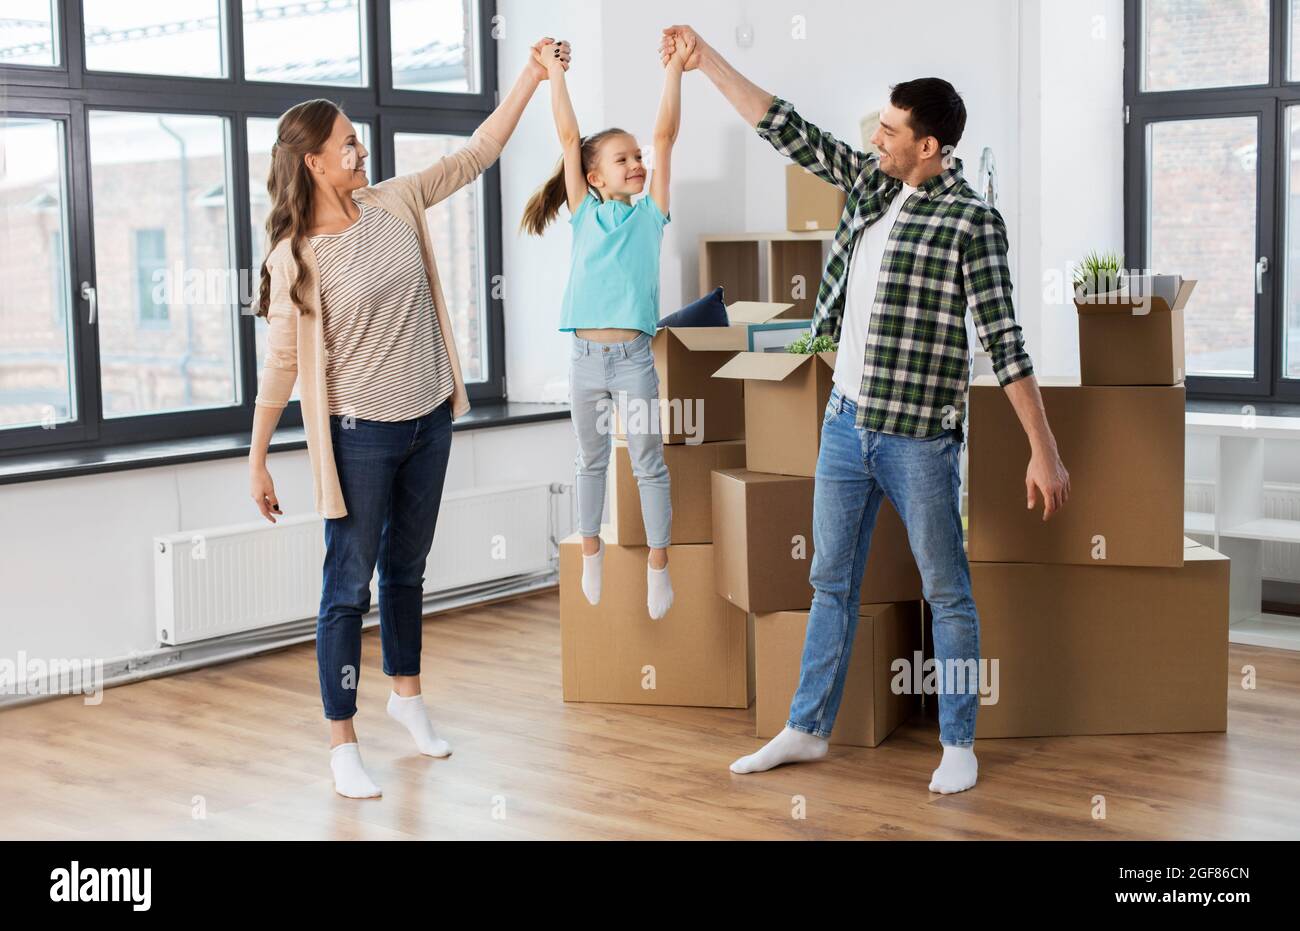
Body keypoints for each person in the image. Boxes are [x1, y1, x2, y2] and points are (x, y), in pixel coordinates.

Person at [660, 25, 1070, 794]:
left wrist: (1042, 449)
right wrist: (703, 56)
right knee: (830, 581)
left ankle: (958, 742)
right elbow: (787, 128)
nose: (875, 137)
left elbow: (1004, 341)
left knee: (947, 590)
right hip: (846, 425)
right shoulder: (873, 185)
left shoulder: (972, 223)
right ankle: (807, 727)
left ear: (931, 148)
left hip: (921, 441)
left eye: (890, 130)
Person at [247, 38, 568, 799]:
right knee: (345, 588)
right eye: (347, 141)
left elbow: (480, 151)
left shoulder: (396, 201)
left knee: (408, 570)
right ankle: (342, 740)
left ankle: (409, 697)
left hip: (430, 418)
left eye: (357, 137)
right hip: (361, 435)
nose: (361, 148)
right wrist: (257, 458)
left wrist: (530, 73)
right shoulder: (296, 257)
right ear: (315, 163)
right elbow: (282, 367)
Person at [521, 35, 691, 619]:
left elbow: (664, 136)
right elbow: (569, 136)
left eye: (635, 157)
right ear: (593, 177)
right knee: (590, 458)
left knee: (647, 459)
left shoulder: (651, 214)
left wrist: (673, 70)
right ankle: (590, 547)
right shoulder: (585, 213)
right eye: (623, 159)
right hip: (586, 362)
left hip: (634, 362)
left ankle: (659, 564)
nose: (637, 163)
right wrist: (552, 73)